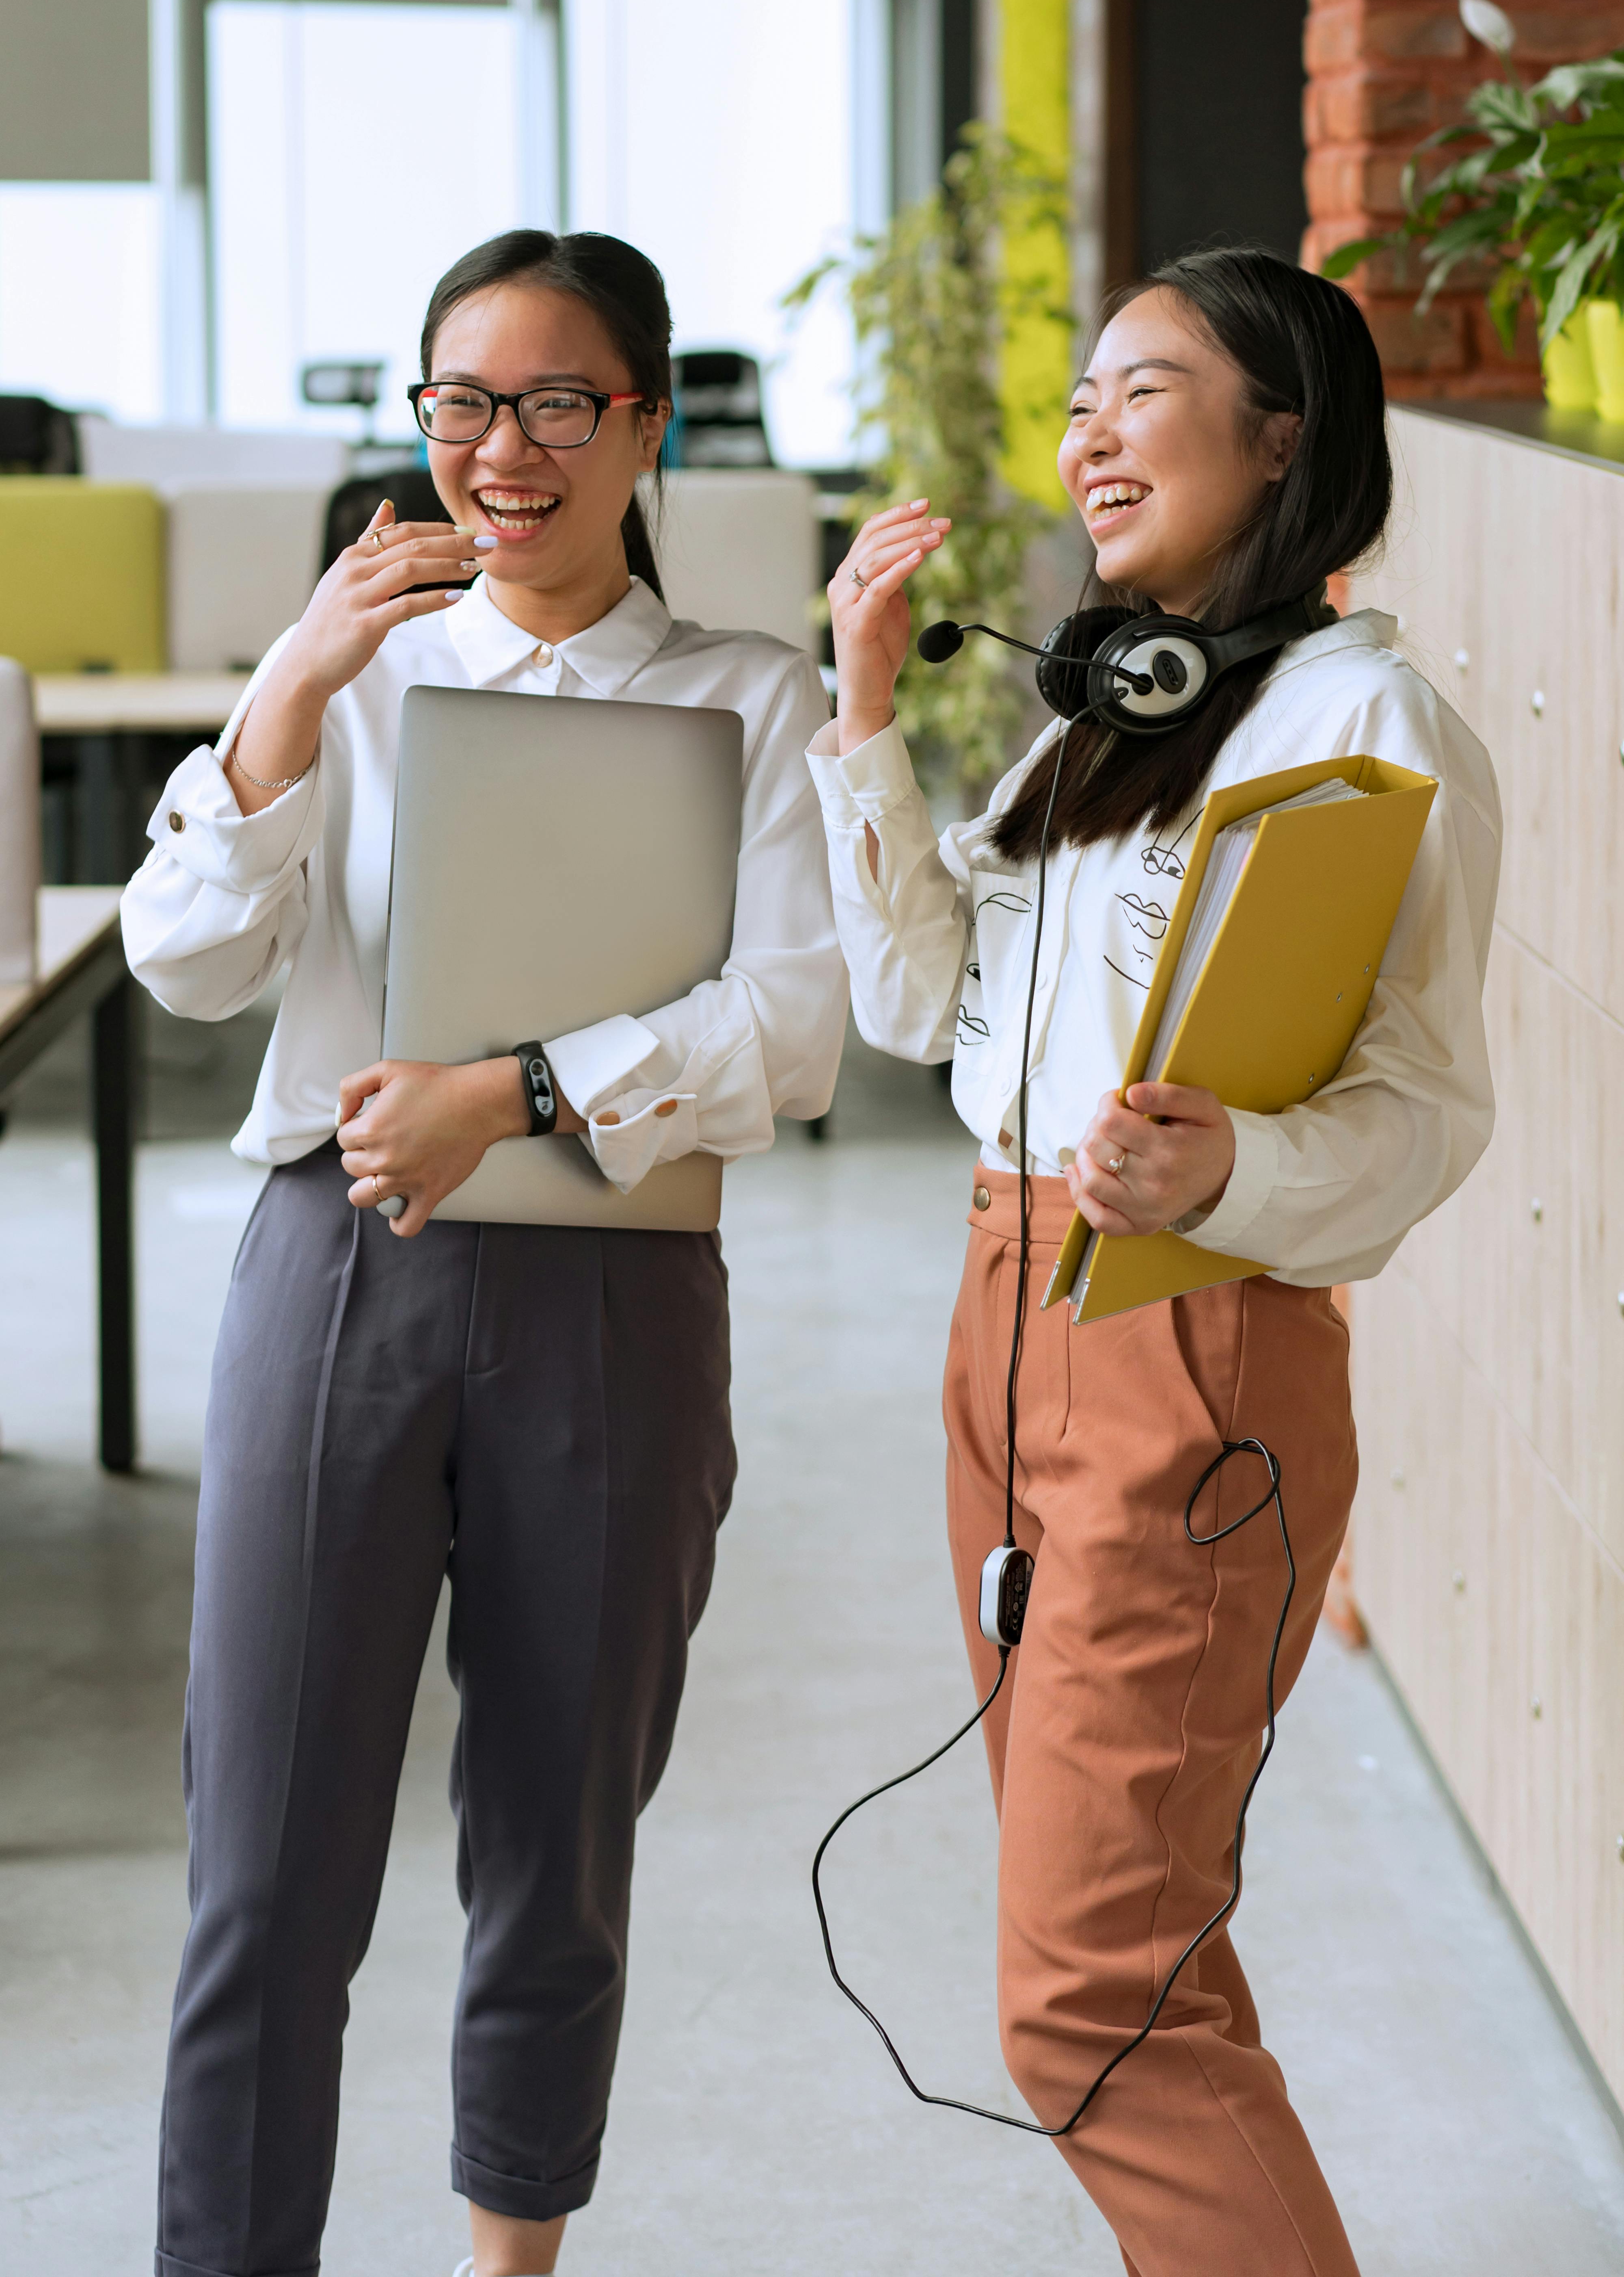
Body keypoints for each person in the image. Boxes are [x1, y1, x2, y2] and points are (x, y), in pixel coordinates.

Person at [122, 227, 846, 2277]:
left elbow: (792, 1027)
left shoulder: (747, 700)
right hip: (332, 1267)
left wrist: (519, 1089)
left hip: (613, 1289)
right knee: (264, 1860)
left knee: (557, 1842)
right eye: (459, 403)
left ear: (646, 421)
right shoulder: (353, 674)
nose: (499, 449)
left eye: (552, 403)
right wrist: (285, 694)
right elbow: (189, 966)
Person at [808, 246, 1500, 2276]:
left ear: (1282, 435)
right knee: (1126, 1976)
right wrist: (865, 723)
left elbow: (1424, 1116)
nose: (1085, 432)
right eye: (1081, 398)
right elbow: (918, 1011)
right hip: (1000, 1333)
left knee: (1090, 1997)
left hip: (1186, 1362)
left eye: (1143, 389)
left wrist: (1230, 1169)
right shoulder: (1102, 711)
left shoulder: (1369, 724)